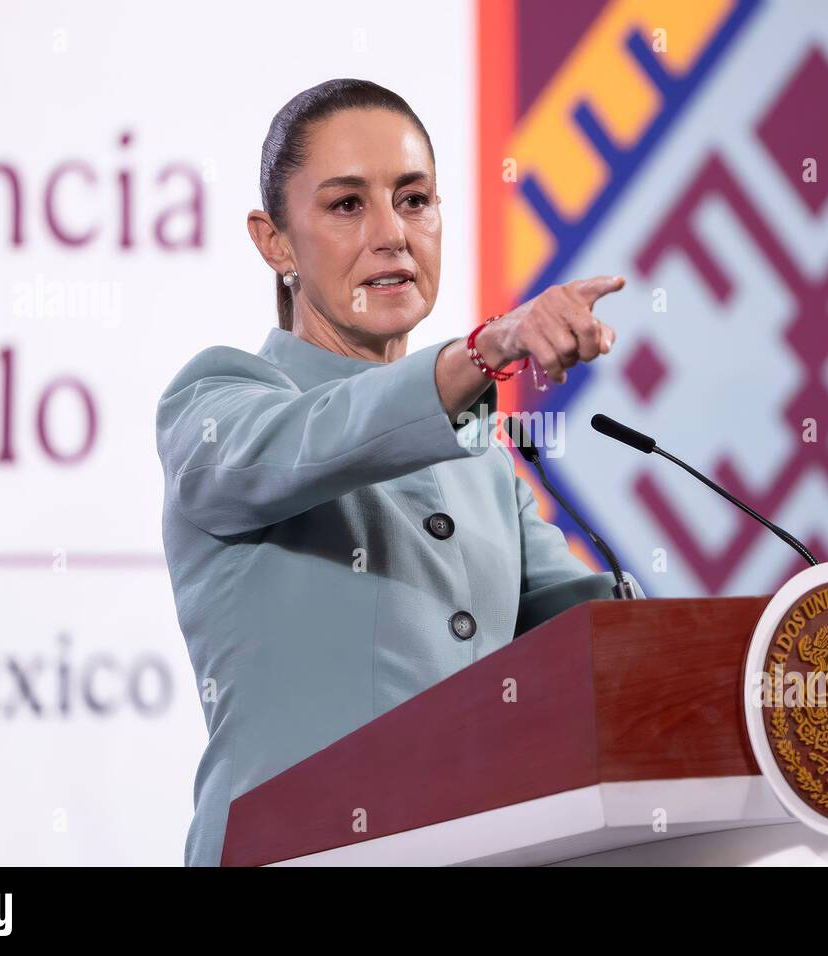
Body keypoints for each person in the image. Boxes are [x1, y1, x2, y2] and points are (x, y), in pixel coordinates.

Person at [156, 78, 642, 866]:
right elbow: (325, 434)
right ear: (274, 241)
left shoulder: (484, 469)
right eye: (347, 205)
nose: (392, 235)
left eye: (414, 200)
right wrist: (487, 349)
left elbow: (604, 655)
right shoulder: (215, 403)